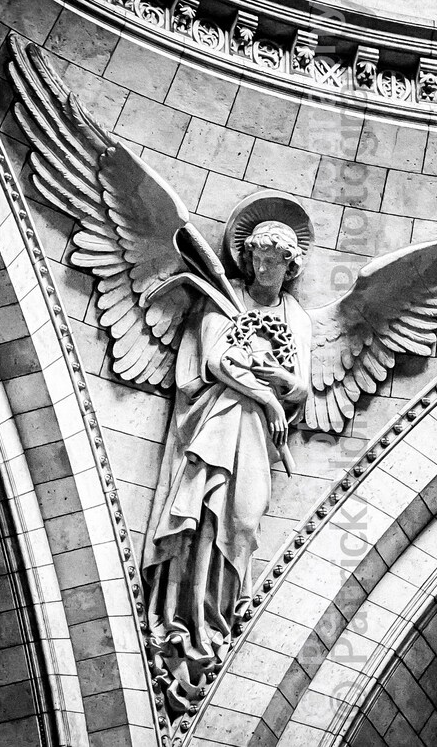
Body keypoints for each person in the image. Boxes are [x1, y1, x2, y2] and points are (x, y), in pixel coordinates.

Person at [141, 217, 312, 710]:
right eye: (256, 256)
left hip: (257, 432)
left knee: (243, 516)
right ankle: (183, 616)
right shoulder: (224, 295)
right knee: (203, 512)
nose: (263, 266)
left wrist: (281, 382)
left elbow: (302, 384)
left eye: (273, 260)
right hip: (219, 417)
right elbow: (217, 361)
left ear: (289, 265)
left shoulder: (295, 316)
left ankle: (216, 613)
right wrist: (272, 400)